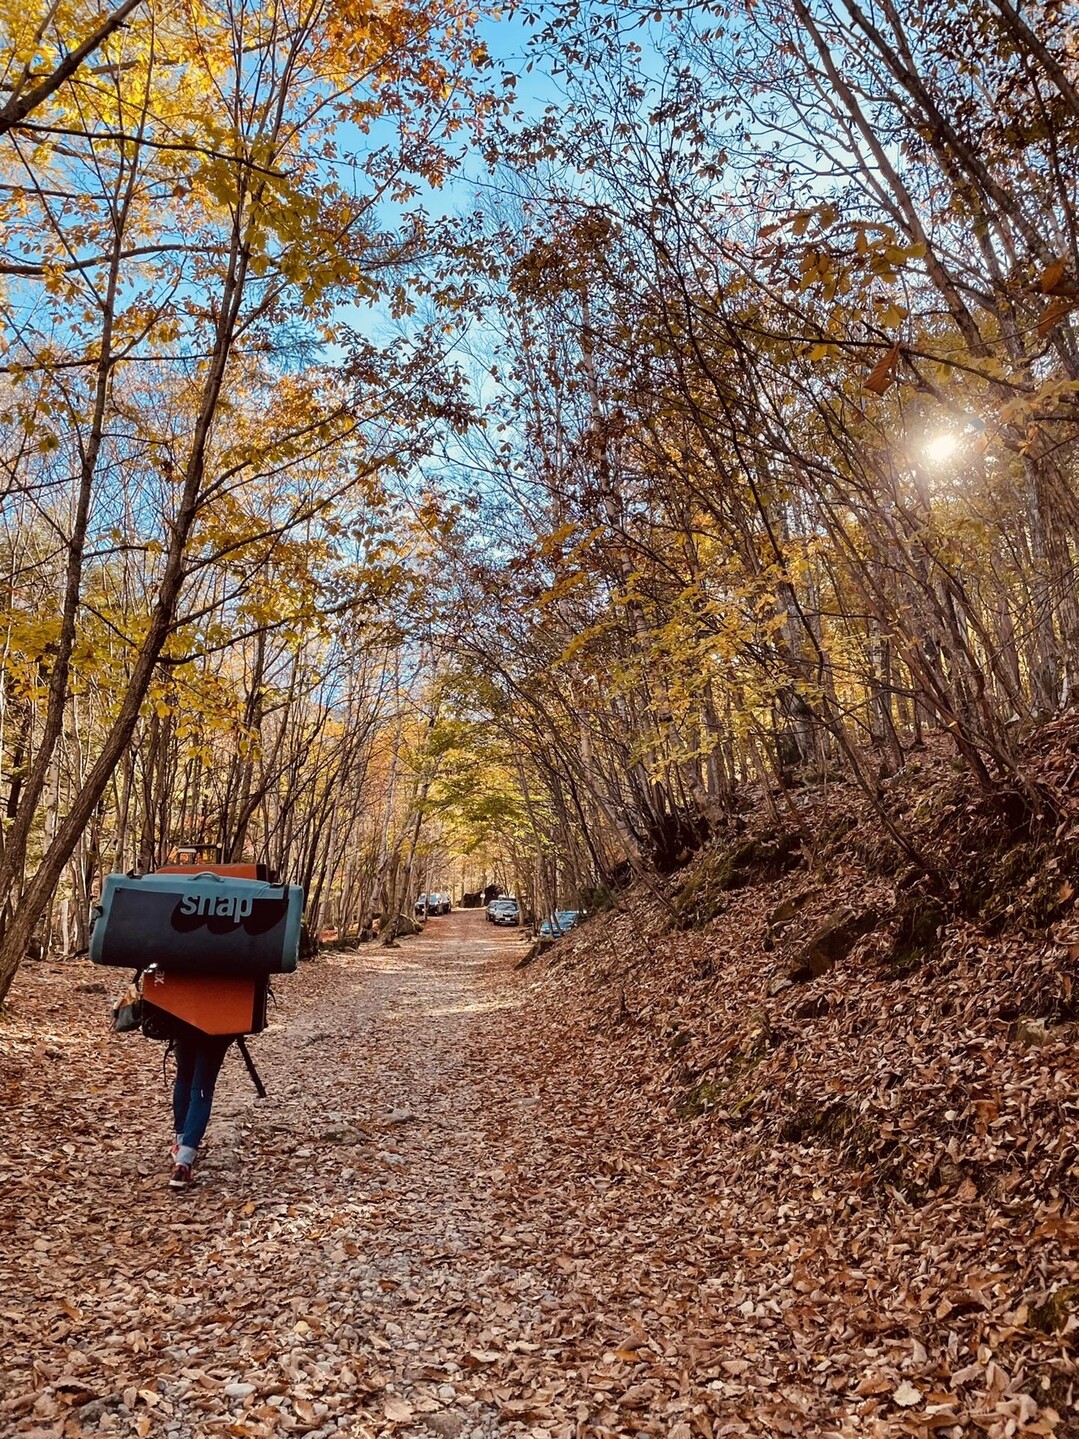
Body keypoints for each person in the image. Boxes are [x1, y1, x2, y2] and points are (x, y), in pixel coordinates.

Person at [169, 1028, 234, 1188]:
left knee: (184, 1077)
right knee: (202, 1086)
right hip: (219, 1022)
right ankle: (184, 1161)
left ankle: (181, 1143)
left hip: (182, 1017)